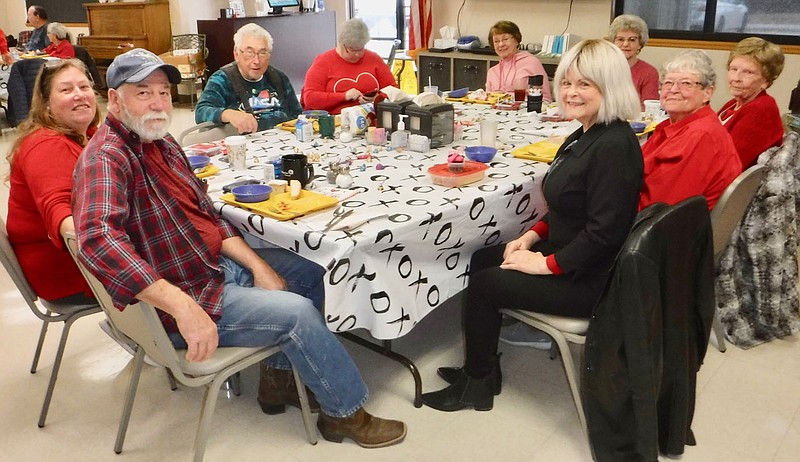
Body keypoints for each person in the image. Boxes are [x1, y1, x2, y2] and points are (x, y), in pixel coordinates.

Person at [71, 48, 406, 449]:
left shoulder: (161, 143)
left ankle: (277, 382)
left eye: (163, 92)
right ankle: (345, 413)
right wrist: (181, 307)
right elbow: (97, 241)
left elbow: (209, 215)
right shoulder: (108, 157)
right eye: (144, 92)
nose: (158, 102)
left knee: (308, 272)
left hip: (209, 267)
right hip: (186, 296)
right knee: (296, 312)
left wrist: (258, 266)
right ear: (116, 98)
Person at [421, 39, 644, 412]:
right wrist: (529, 236)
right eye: (568, 82)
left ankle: (477, 386)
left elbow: (605, 234)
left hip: (589, 278)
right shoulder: (586, 132)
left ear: (610, 87)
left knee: (485, 284)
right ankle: (483, 367)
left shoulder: (615, 147)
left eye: (585, 84)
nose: (571, 92)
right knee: (483, 258)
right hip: (568, 250)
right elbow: (566, 205)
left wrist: (542, 264)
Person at [5, 59, 99, 304]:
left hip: (74, 262)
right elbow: (60, 213)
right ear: (46, 105)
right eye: (66, 90)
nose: (79, 95)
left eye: (84, 87)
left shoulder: (83, 135)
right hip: (69, 272)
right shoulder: (48, 145)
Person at [639, 50, 742, 211]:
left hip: (666, 229)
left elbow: (659, 209)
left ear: (707, 92)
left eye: (686, 83)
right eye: (668, 83)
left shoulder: (700, 136)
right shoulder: (672, 126)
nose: (673, 89)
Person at [195, 23, 302, 134]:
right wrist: (228, 114)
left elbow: (298, 114)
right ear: (236, 54)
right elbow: (201, 112)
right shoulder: (221, 80)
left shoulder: (278, 78)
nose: (256, 61)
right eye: (249, 53)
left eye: (262, 53)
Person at [301, 18, 397, 115]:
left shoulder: (374, 59)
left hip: (372, 119)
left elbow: (393, 90)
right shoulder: (323, 62)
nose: (358, 54)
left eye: (361, 49)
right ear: (342, 45)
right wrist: (344, 96)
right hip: (337, 120)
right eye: (353, 50)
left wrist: (377, 98)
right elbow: (310, 99)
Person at [717, 37, 785, 168]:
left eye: (748, 72)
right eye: (733, 69)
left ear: (766, 81)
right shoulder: (733, 103)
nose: (736, 78)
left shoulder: (762, 110)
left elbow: (729, 163)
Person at [485, 21, 552, 103]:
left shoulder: (531, 63)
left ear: (517, 40)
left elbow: (546, 99)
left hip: (526, 113)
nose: (501, 44)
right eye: (496, 41)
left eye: (505, 39)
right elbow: (487, 100)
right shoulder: (492, 72)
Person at [607, 14, 659, 105]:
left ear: (640, 44)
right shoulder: (601, 68)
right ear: (613, 42)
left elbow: (649, 110)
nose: (626, 44)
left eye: (632, 40)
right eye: (620, 39)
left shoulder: (649, 73)